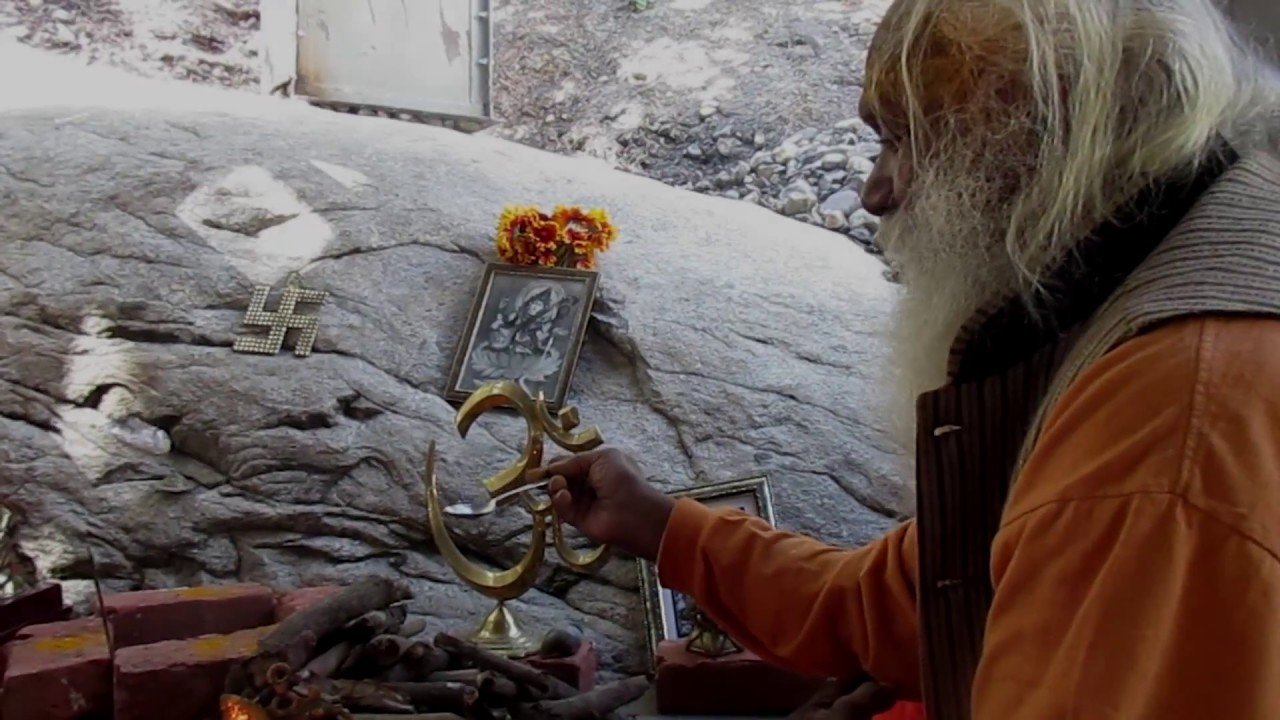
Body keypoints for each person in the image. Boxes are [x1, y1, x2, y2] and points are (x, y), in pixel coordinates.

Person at [535, 1, 1280, 719]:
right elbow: (917, 600)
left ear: (1033, 115)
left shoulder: (1162, 434)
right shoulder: (1159, 262)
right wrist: (665, 528)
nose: (874, 192)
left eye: (899, 137)